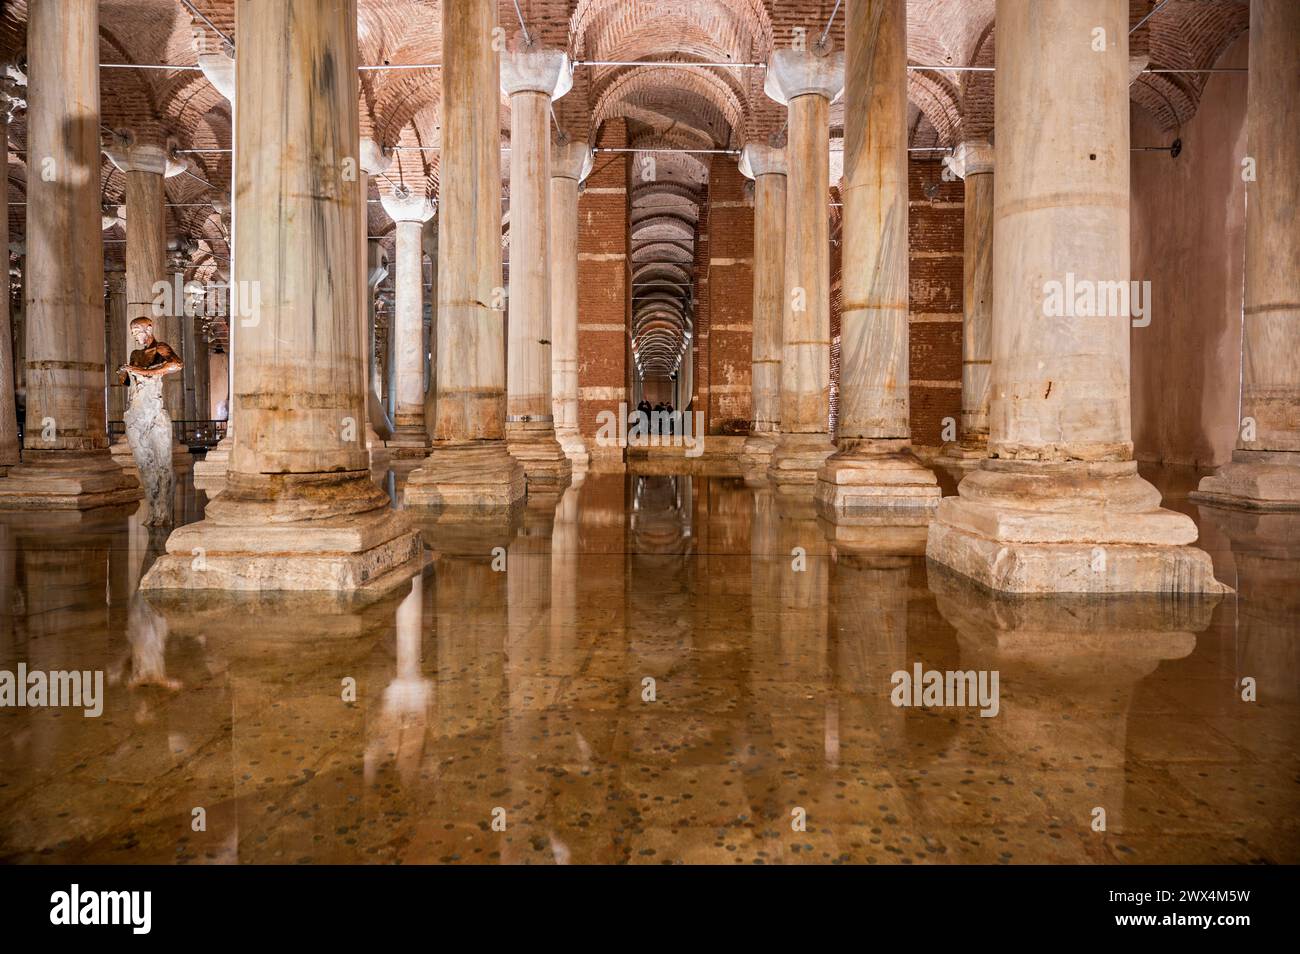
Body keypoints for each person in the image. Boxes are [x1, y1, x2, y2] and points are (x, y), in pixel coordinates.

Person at [118, 317, 183, 526]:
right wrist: (123, 373)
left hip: (155, 414)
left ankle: (166, 511)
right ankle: (154, 510)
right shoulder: (135, 354)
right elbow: (126, 381)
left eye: (137, 330)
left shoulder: (160, 348)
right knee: (145, 466)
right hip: (135, 413)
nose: (134, 335)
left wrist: (145, 372)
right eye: (132, 331)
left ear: (149, 328)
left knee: (164, 465)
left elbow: (177, 364)